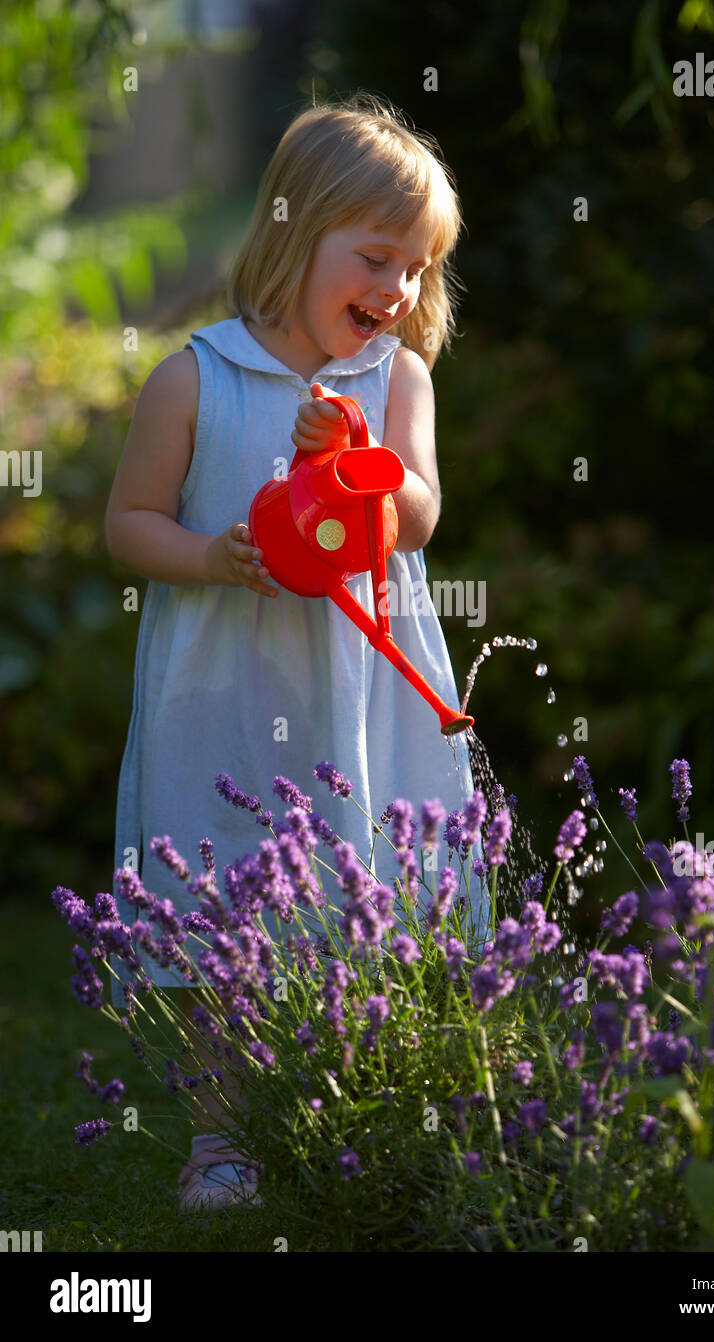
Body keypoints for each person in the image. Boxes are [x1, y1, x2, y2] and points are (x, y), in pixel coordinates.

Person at [104, 90, 489, 1211]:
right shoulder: (196, 378)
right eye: (376, 257)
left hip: (362, 687)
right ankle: (223, 1138)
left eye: (416, 270)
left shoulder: (393, 379)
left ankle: (361, 1107)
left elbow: (413, 517)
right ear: (290, 228)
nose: (398, 292)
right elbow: (129, 524)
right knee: (228, 889)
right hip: (225, 684)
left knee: (365, 880)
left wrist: (364, 453)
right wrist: (214, 558)